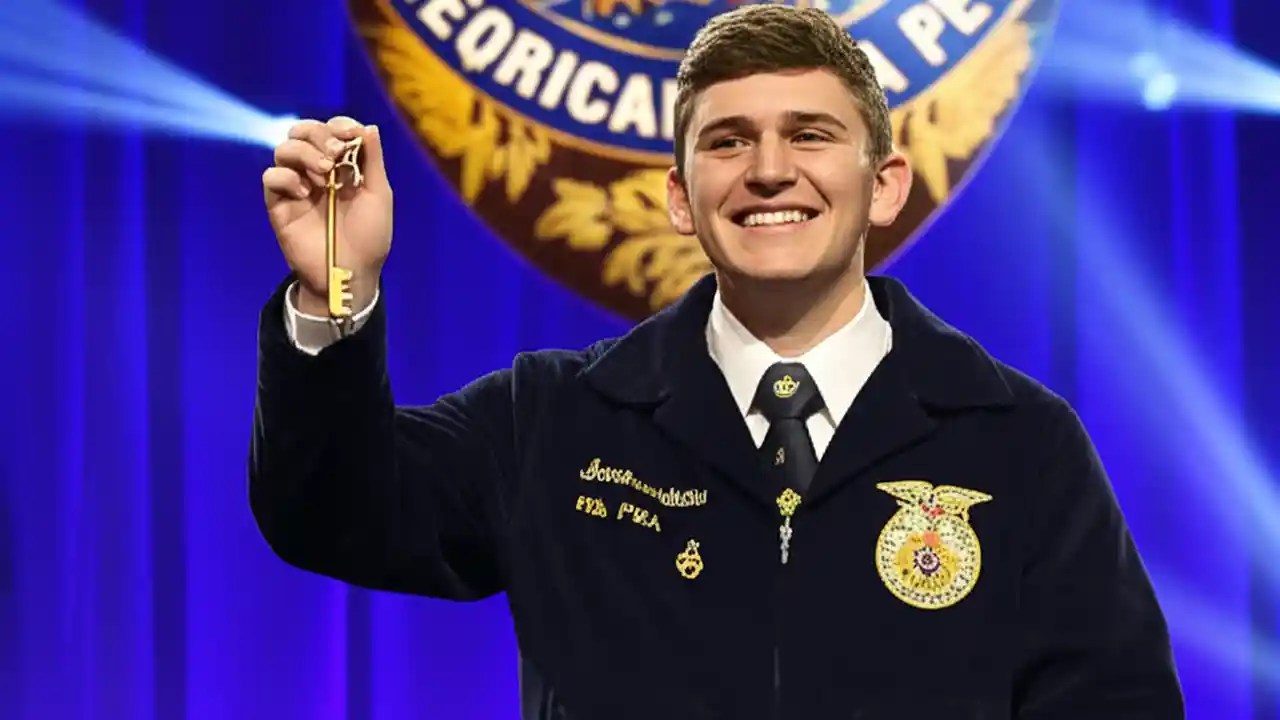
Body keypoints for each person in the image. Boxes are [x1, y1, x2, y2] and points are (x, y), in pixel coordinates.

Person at [251, 4, 1184, 718]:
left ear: (885, 185)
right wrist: (337, 290)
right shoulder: (553, 420)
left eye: (810, 135)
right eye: (728, 141)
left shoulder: (1019, 443)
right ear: (680, 196)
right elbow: (330, 510)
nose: (768, 169)